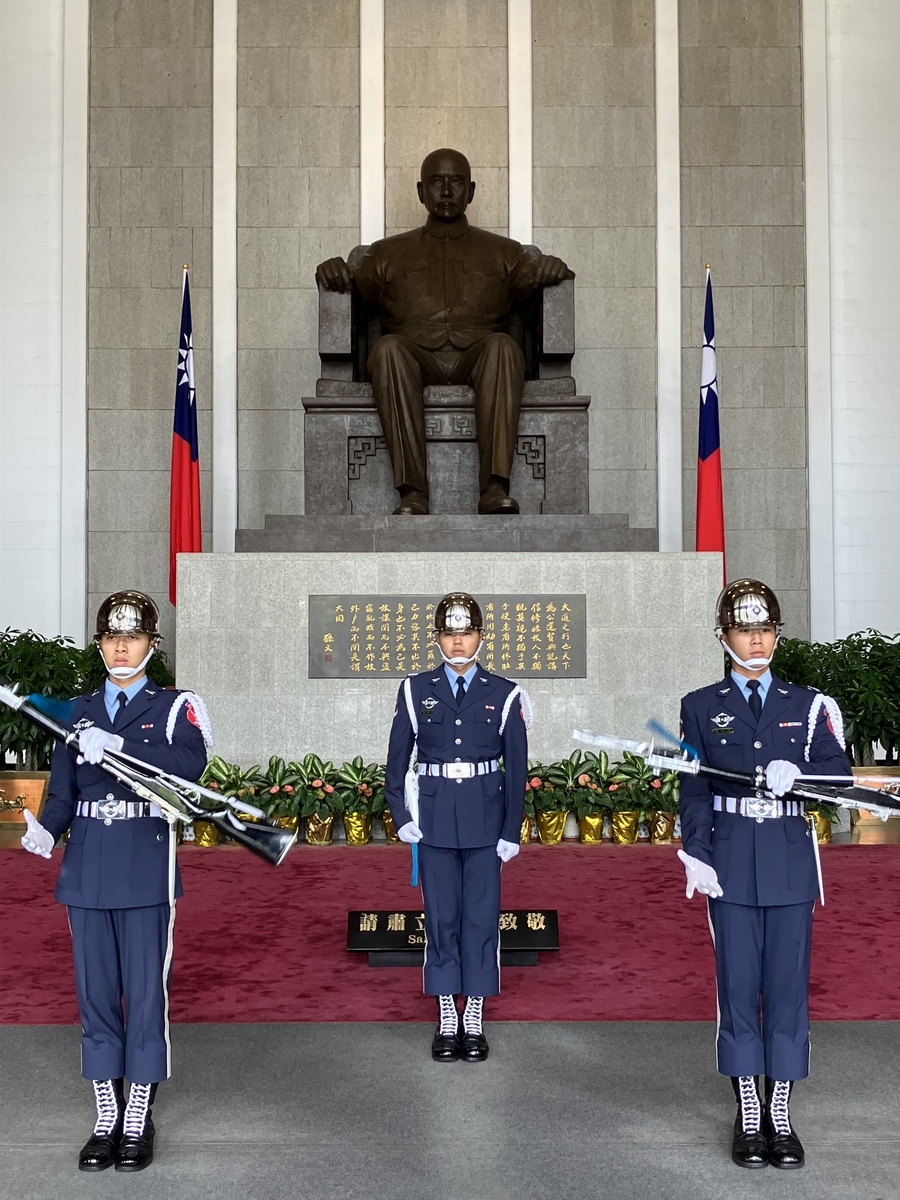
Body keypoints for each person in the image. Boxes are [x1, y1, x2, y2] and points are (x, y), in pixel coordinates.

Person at [20, 591, 211, 1173]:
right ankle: (107, 1109)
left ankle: (139, 1114)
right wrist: (46, 833)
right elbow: (62, 794)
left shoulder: (178, 707)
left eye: (133, 637)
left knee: (145, 992)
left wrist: (122, 744)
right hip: (88, 869)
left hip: (144, 864)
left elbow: (192, 768)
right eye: (111, 637)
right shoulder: (74, 712)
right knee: (96, 994)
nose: (121, 646)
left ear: (153, 645)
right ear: (99, 643)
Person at [678, 579, 851, 1170]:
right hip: (728, 860)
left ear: (777, 634)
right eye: (744, 630)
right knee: (737, 983)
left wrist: (796, 769)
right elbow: (694, 787)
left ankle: (781, 1109)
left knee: (786, 987)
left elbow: (839, 775)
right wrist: (696, 852)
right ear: (723, 638)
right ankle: (747, 1108)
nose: (756, 640)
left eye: (765, 629)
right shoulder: (700, 707)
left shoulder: (809, 706)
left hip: (786, 857)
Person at [316, 147, 573, 515]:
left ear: (471, 191)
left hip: (479, 356)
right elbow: (354, 284)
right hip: (414, 357)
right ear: (421, 192)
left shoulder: (504, 251)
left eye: (457, 182)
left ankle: (495, 488)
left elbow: (535, 277)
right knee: (387, 350)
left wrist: (551, 267)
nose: (447, 191)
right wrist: (333, 270)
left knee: (502, 346)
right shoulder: (387, 253)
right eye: (437, 182)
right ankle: (412, 493)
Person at [384, 593, 529, 1062]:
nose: (458, 640)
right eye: (449, 632)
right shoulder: (414, 689)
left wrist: (511, 830)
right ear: (438, 639)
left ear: (481, 637)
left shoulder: (505, 693)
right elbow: (395, 762)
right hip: (435, 821)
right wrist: (402, 817)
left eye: (466, 632)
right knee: (442, 919)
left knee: (481, 919)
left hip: (486, 821)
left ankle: (475, 1017)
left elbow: (517, 769)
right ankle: (448, 1013)